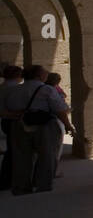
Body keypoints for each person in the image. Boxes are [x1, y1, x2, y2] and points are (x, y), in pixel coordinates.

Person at [5, 66, 69, 194]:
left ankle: (21, 187)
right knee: (47, 156)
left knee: (21, 158)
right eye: (45, 72)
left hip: (20, 124)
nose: (47, 74)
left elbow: (9, 108)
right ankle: (43, 185)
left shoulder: (15, 90)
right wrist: (67, 125)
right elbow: (60, 109)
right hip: (44, 125)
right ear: (39, 75)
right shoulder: (47, 89)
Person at [0, 65, 22, 191]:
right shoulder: (14, 88)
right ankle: (7, 179)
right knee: (15, 151)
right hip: (13, 121)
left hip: (6, 121)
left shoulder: (3, 87)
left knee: (12, 149)